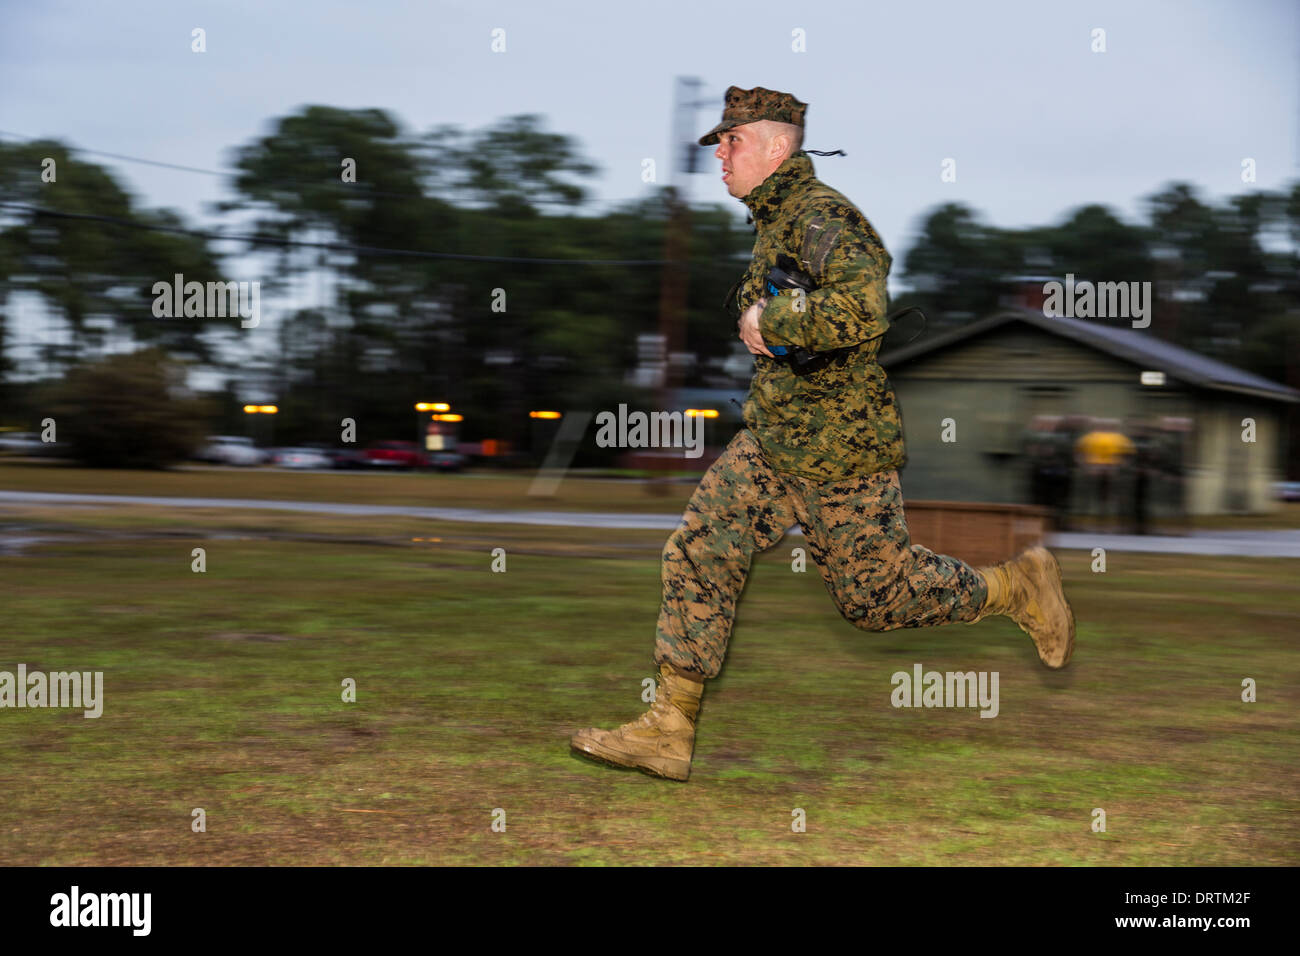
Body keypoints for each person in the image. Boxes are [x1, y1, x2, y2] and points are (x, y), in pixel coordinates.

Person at [570, 86, 1075, 782]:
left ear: (777, 147)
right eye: (719, 141)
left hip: (841, 450)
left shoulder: (820, 215)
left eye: (733, 140)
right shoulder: (775, 220)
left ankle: (1015, 586)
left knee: (877, 601)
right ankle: (668, 727)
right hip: (776, 438)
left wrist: (769, 324)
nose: (720, 152)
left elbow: (864, 307)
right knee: (700, 548)